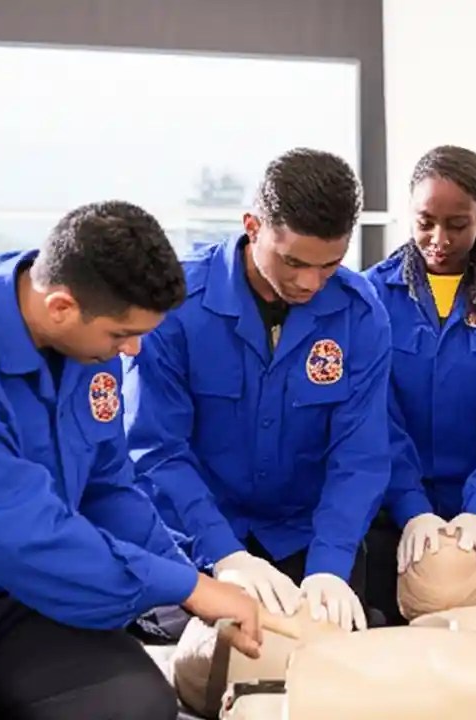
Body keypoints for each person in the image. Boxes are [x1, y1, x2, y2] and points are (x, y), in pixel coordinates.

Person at [0, 201, 263, 720]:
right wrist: (190, 588)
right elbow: (23, 533)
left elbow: (107, 488)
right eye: (121, 334)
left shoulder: (85, 341)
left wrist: (192, 583)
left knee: (136, 704)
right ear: (61, 306)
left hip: (24, 599)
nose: (133, 350)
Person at [123, 148, 390, 634]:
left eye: (329, 265)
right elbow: (157, 449)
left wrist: (331, 565)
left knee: (326, 638)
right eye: (293, 262)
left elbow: (360, 455)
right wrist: (224, 554)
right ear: (252, 226)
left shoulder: (361, 314)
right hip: (192, 532)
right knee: (207, 640)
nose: (310, 283)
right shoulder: (177, 306)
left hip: (302, 536)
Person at [362, 145, 476, 625]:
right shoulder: (370, 298)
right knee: (375, 616)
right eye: (425, 222)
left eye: (458, 224)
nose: (439, 239)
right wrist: (411, 508)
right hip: (390, 506)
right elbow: (374, 419)